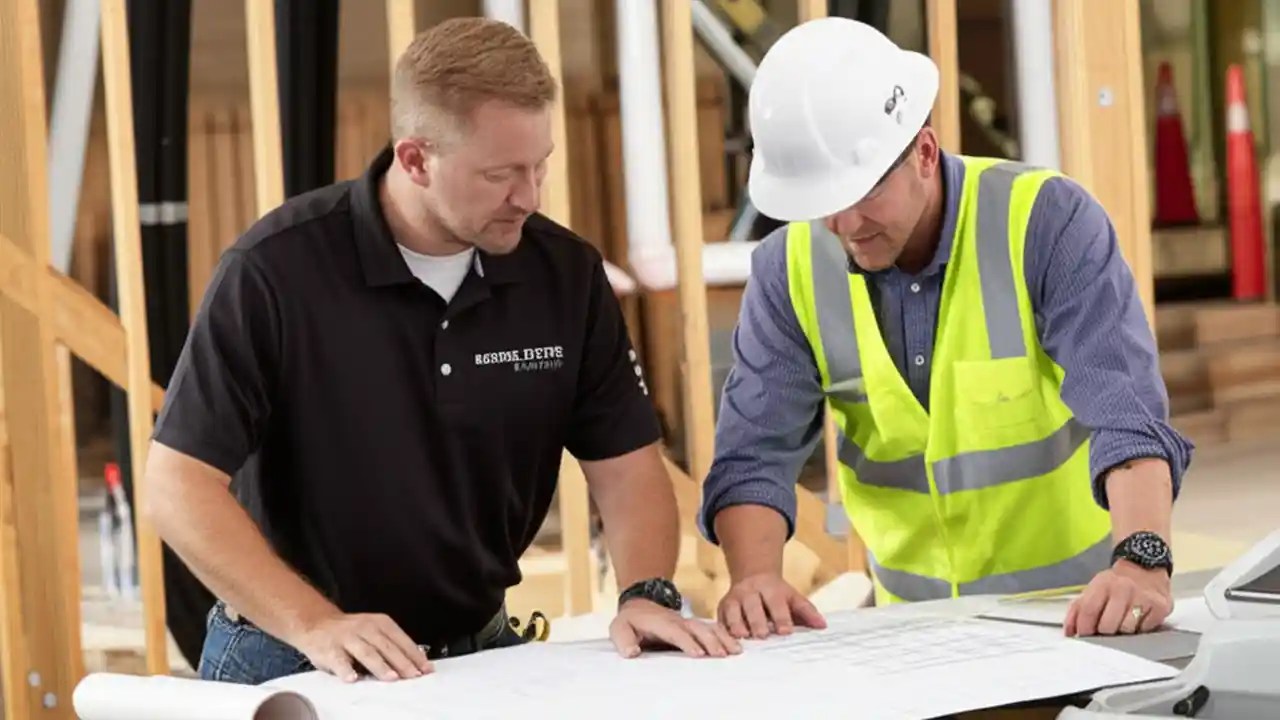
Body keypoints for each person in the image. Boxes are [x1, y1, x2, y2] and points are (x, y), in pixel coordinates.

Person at [144, 17, 738, 686]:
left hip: (477, 654)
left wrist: (645, 593)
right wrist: (315, 624)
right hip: (290, 656)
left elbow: (628, 469)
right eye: (500, 175)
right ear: (415, 159)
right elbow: (176, 486)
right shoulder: (275, 272)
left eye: (541, 164)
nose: (531, 197)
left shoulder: (565, 278)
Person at [699, 18, 1194, 641]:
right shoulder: (788, 272)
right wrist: (753, 581)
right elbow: (753, 455)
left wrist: (1143, 559)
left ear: (925, 152)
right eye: (826, 200)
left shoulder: (1046, 223)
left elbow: (1125, 410)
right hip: (915, 635)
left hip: (1081, 621)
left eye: (865, 190)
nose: (846, 223)